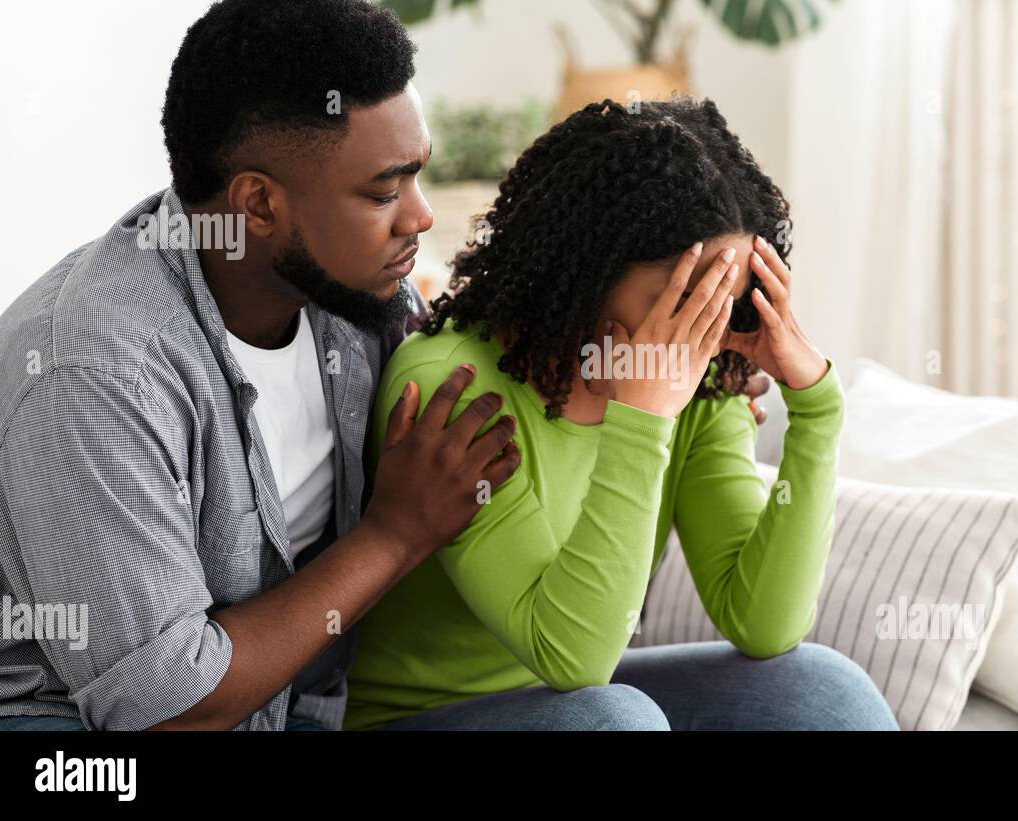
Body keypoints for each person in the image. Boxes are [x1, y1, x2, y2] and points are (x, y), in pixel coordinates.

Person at [0, 0, 520, 731]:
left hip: (293, 713)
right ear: (258, 206)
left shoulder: (357, 301)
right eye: (384, 191)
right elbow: (167, 709)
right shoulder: (94, 375)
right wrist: (394, 534)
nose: (421, 217)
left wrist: (697, 375)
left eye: (419, 176)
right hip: (75, 739)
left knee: (613, 716)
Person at [344, 98, 900, 731]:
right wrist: (643, 419)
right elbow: (571, 658)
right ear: (586, 273)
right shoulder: (454, 383)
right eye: (687, 301)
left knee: (823, 688)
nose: (709, 331)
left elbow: (765, 622)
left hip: (585, 696)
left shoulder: (698, 380)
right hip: (433, 717)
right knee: (614, 721)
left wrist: (817, 408)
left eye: (732, 301)